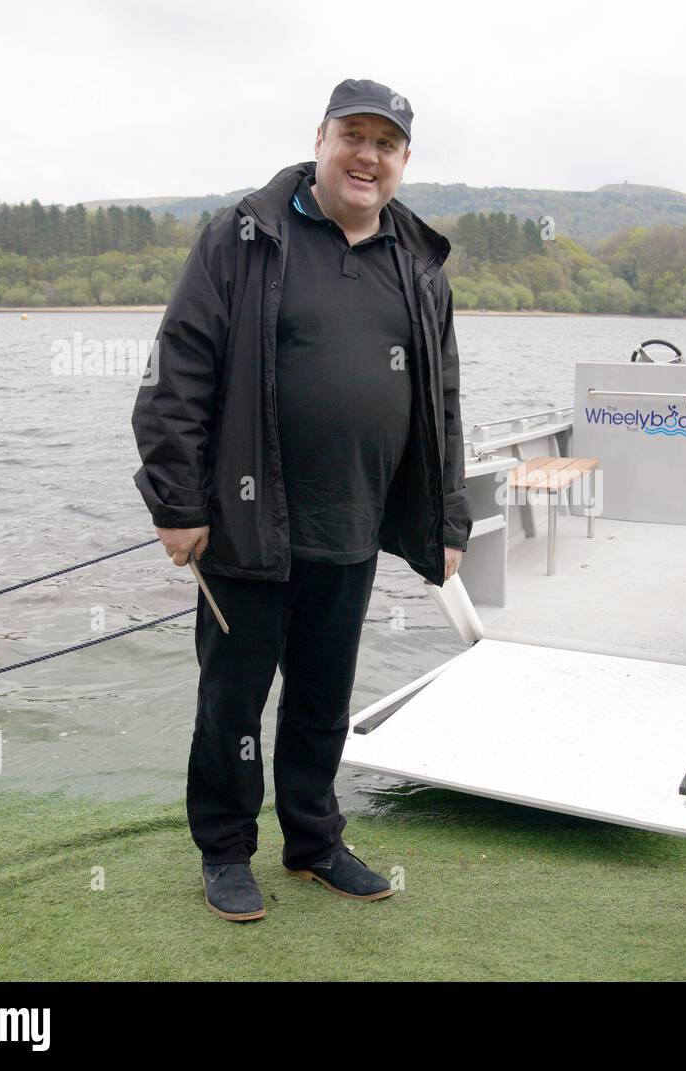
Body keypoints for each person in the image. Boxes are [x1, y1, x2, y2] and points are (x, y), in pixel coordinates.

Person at [130, 78, 472, 922]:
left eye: (386, 144)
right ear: (320, 139)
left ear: (403, 160)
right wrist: (177, 502)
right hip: (245, 523)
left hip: (353, 523)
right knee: (233, 701)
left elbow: (443, 402)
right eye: (353, 136)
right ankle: (225, 849)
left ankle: (314, 841)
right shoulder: (244, 236)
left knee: (323, 700)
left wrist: (447, 516)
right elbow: (178, 370)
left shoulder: (418, 263)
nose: (367, 156)